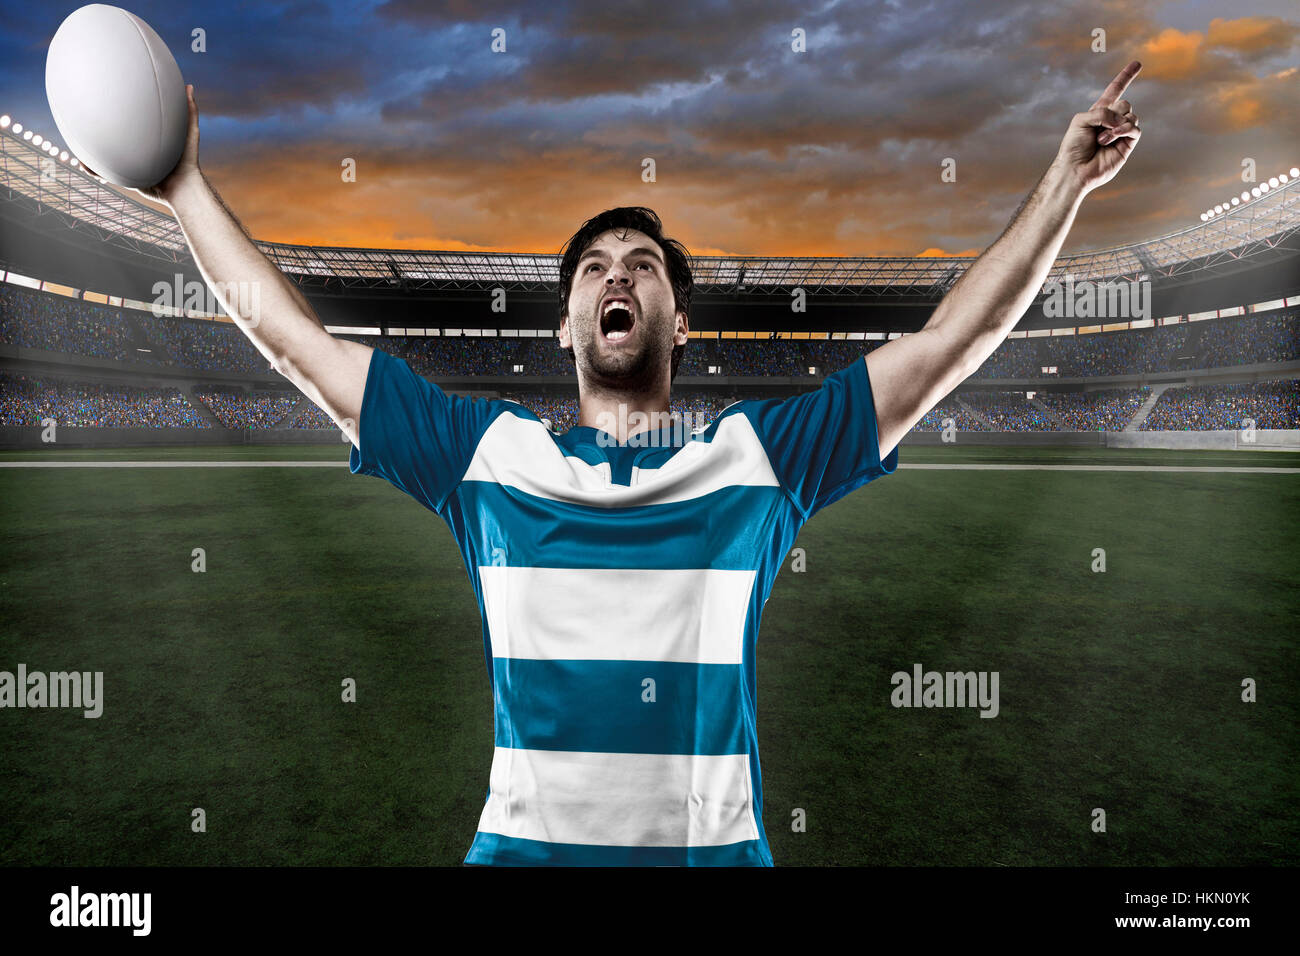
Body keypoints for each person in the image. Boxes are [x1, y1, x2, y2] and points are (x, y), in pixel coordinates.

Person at [106, 63, 1142, 865]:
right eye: (595, 267)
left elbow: (944, 345)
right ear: (565, 327)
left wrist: (1067, 180)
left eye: (641, 267)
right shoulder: (485, 456)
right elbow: (298, 344)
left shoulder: (757, 460)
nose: (618, 276)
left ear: (675, 322)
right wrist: (187, 185)